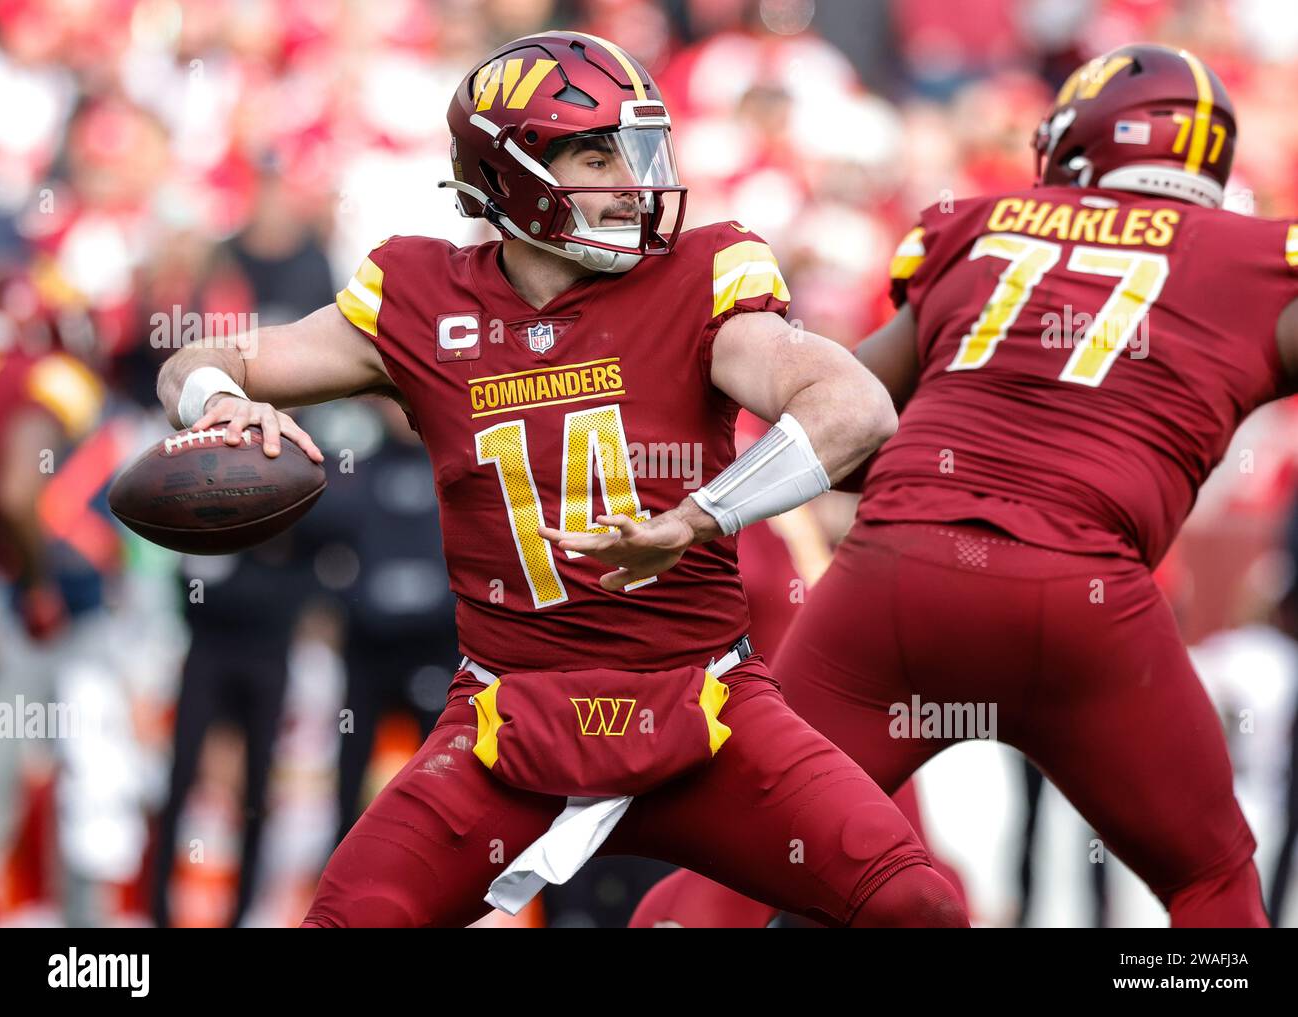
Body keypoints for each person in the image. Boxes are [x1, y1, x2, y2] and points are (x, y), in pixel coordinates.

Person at [154, 31, 966, 928]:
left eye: (636, 147)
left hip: (702, 702)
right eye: (595, 151)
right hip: (507, 718)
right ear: (509, 175)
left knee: (918, 904)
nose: (631, 176)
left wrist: (699, 516)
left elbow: (855, 405)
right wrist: (222, 403)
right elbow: (197, 358)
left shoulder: (699, 276)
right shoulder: (421, 295)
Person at [633, 43, 1287, 928]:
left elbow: (851, 418)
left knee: (731, 872)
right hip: (1085, 599)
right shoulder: (1258, 257)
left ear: (1076, 144)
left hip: (898, 581)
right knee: (1212, 885)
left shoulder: (978, 226)